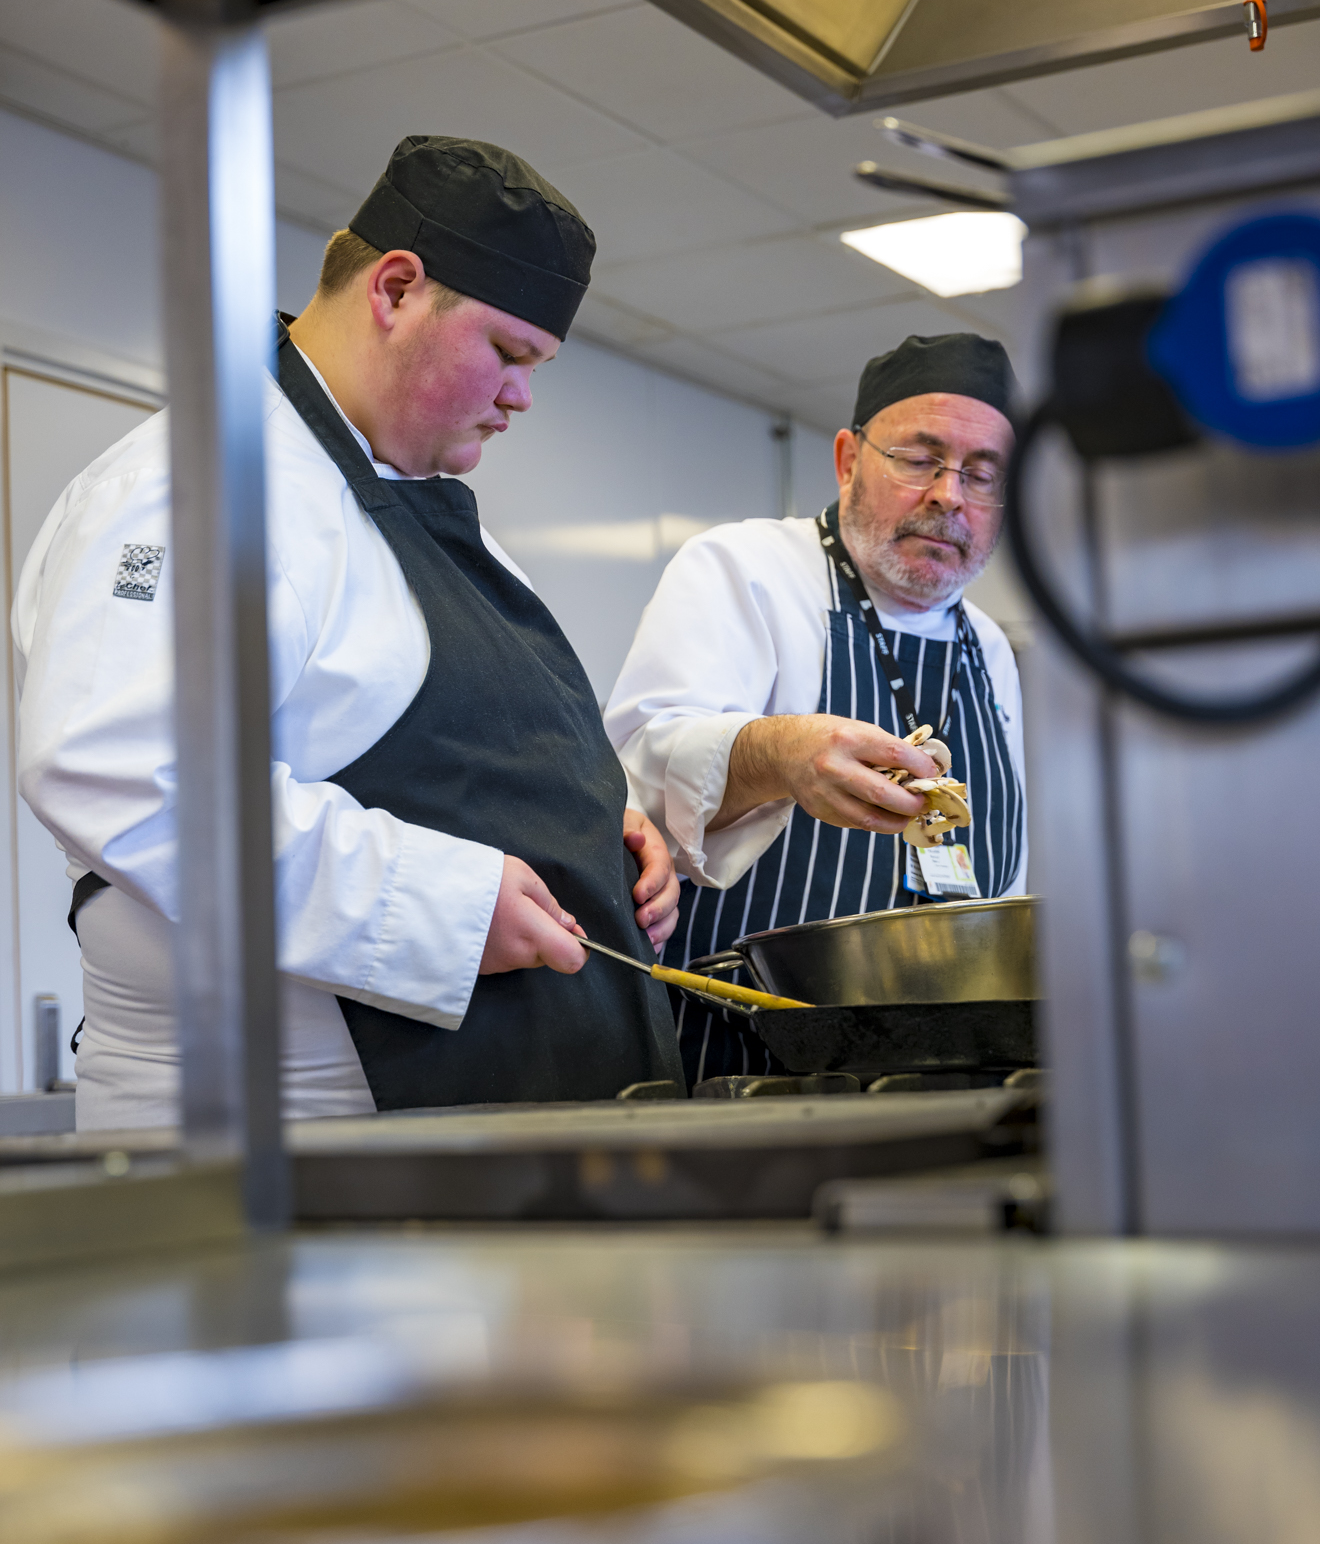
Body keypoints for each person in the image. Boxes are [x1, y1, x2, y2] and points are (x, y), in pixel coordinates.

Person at [15, 134, 684, 1127]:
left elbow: (449, 745)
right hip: (287, 1133)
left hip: (474, 1131)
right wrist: (439, 907)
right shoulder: (192, 489)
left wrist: (604, 823)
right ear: (397, 289)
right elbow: (116, 767)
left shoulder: (415, 509)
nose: (521, 397)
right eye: (508, 353)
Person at [605, 332, 1027, 1088]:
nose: (949, 495)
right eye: (920, 459)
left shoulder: (989, 646)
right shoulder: (747, 569)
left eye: (982, 474)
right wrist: (779, 756)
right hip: (739, 1066)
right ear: (848, 459)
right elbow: (638, 782)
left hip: (950, 1078)